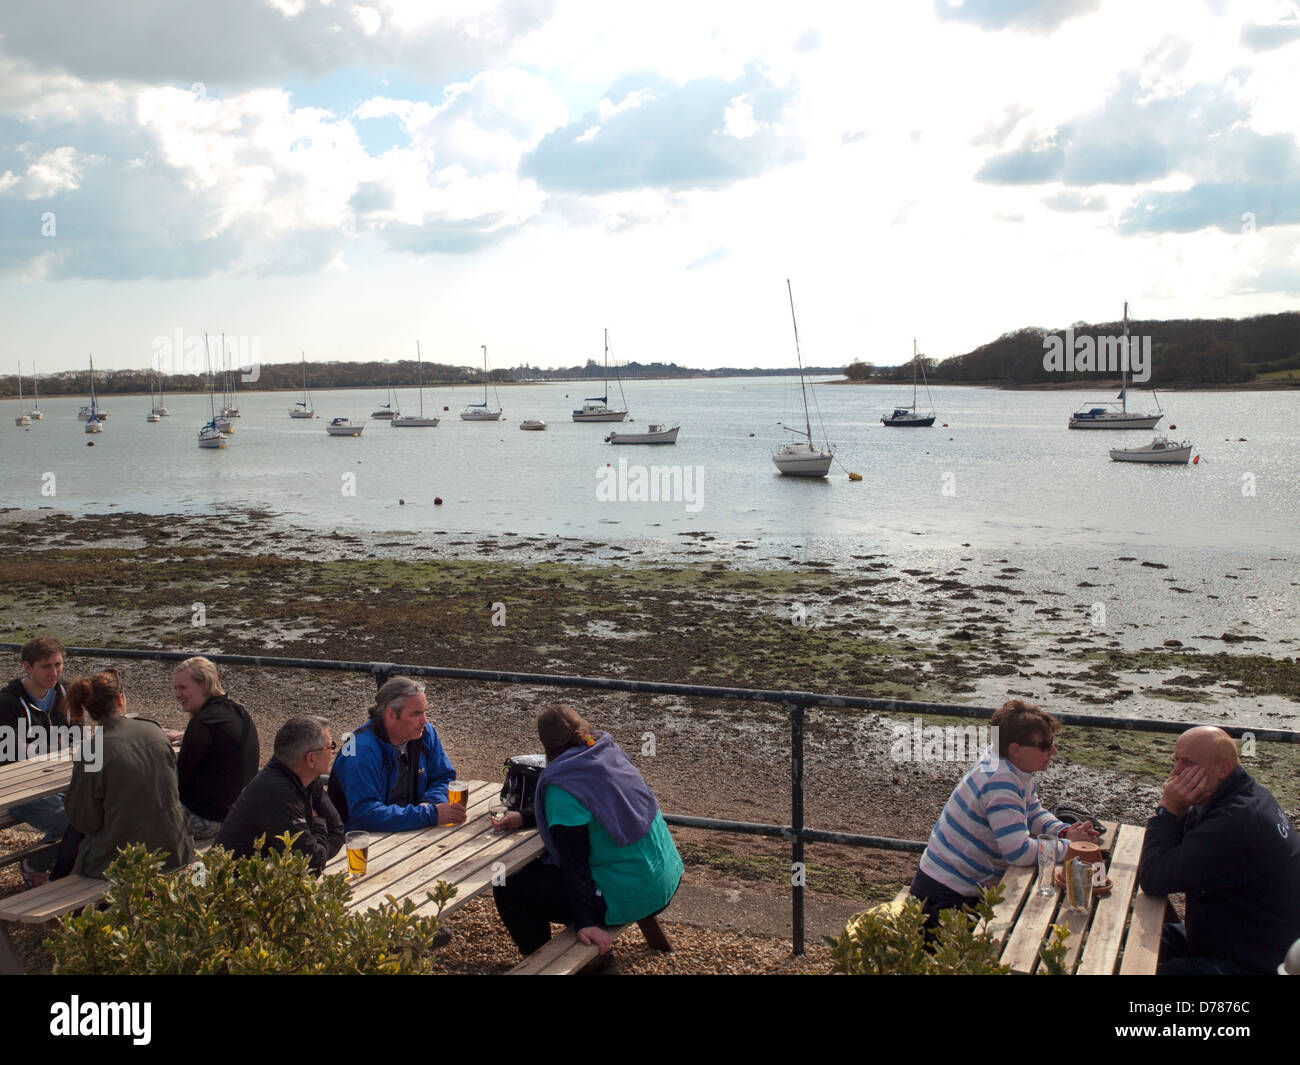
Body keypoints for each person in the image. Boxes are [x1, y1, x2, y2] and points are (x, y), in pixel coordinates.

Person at [492, 706, 683, 957]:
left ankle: (544, 961)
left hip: (631, 896)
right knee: (534, 874)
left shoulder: (563, 785)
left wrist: (585, 923)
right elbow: (597, 806)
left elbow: (575, 862)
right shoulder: (608, 754)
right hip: (666, 877)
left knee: (506, 882)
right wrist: (526, 816)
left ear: (545, 745)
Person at [908, 699, 1098, 929]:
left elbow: (1032, 812)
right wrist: (1069, 847)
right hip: (947, 899)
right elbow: (1017, 852)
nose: (1054, 750)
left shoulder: (1004, 763)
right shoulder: (1000, 781)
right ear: (1016, 749)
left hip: (948, 885)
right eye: (1045, 745)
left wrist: (1065, 831)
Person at [1138, 725, 1300, 975]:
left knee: (1144, 969)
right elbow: (1170, 854)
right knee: (1133, 937)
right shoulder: (1241, 795)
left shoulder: (1237, 820)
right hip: (1232, 937)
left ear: (1223, 768)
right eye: (1175, 761)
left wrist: (1168, 808)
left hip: (1256, 962)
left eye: (1187, 763)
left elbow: (1153, 878)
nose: (1175, 772)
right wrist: (1178, 810)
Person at [63, 670, 195, 879]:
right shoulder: (153, 730)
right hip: (176, 849)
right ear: (119, 699)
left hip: (123, 860)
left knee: (73, 856)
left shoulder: (93, 750)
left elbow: (84, 820)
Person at [327, 677, 463, 831]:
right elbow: (365, 815)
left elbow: (444, 777)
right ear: (391, 715)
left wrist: (430, 802)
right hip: (361, 842)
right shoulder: (358, 749)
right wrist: (428, 814)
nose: (424, 721)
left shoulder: (424, 733)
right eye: (416, 714)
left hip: (408, 831)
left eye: (424, 712)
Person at [216, 715, 344, 873]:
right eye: (330, 746)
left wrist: (318, 850)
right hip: (234, 890)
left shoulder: (308, 778)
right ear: (311, 758)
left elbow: (337, 831)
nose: (333, 751)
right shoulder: (274, 792)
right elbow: (311, 861)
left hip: (273, 885)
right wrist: (318, 822)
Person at [0, 636, 71, 885]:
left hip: (61, 778)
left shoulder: (65, 692)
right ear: (27, 667)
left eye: (58, 665)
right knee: (69, 822)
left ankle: (72, 868)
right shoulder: (8, 702)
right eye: (46, 666)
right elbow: (9, 753)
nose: (54, 672)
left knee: (102, 808)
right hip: (19, 787)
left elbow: (77, 738)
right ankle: (33, 865)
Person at [171, 656, 260, 839]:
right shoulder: (239, 712)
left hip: (207, 821)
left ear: (204, 684)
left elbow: (178, 780)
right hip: (239, 815)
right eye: (175, 688)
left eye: (183, 688)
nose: (177, 694)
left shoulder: (203, 723)